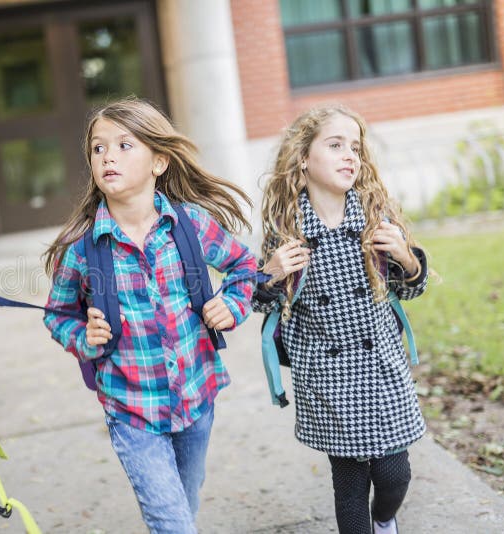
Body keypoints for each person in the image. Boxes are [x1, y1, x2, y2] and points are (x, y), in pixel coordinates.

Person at [42, 97, 256, 533]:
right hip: (131, 407)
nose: (108, 157)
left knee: (185, 500)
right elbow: (58, 313)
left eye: (124, 145)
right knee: (172, 522)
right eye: (98, 149)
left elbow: (244, 266)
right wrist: (85, 336)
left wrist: (232, 305)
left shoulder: (190, 225)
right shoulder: (83, 248)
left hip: (197, 396)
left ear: (159, 161)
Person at [252, 105, 429, 534]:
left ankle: (385, 518)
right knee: (349, 487)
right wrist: (270, 275)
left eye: (356, 147)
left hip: (381, 367)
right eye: (335, 145)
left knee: (394, 474)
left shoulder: (375, 219)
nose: (350, 155)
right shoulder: (286, 230)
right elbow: (260, 303)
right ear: (303, 158)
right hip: (327, 377)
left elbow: (410, 289)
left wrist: (406, 256)